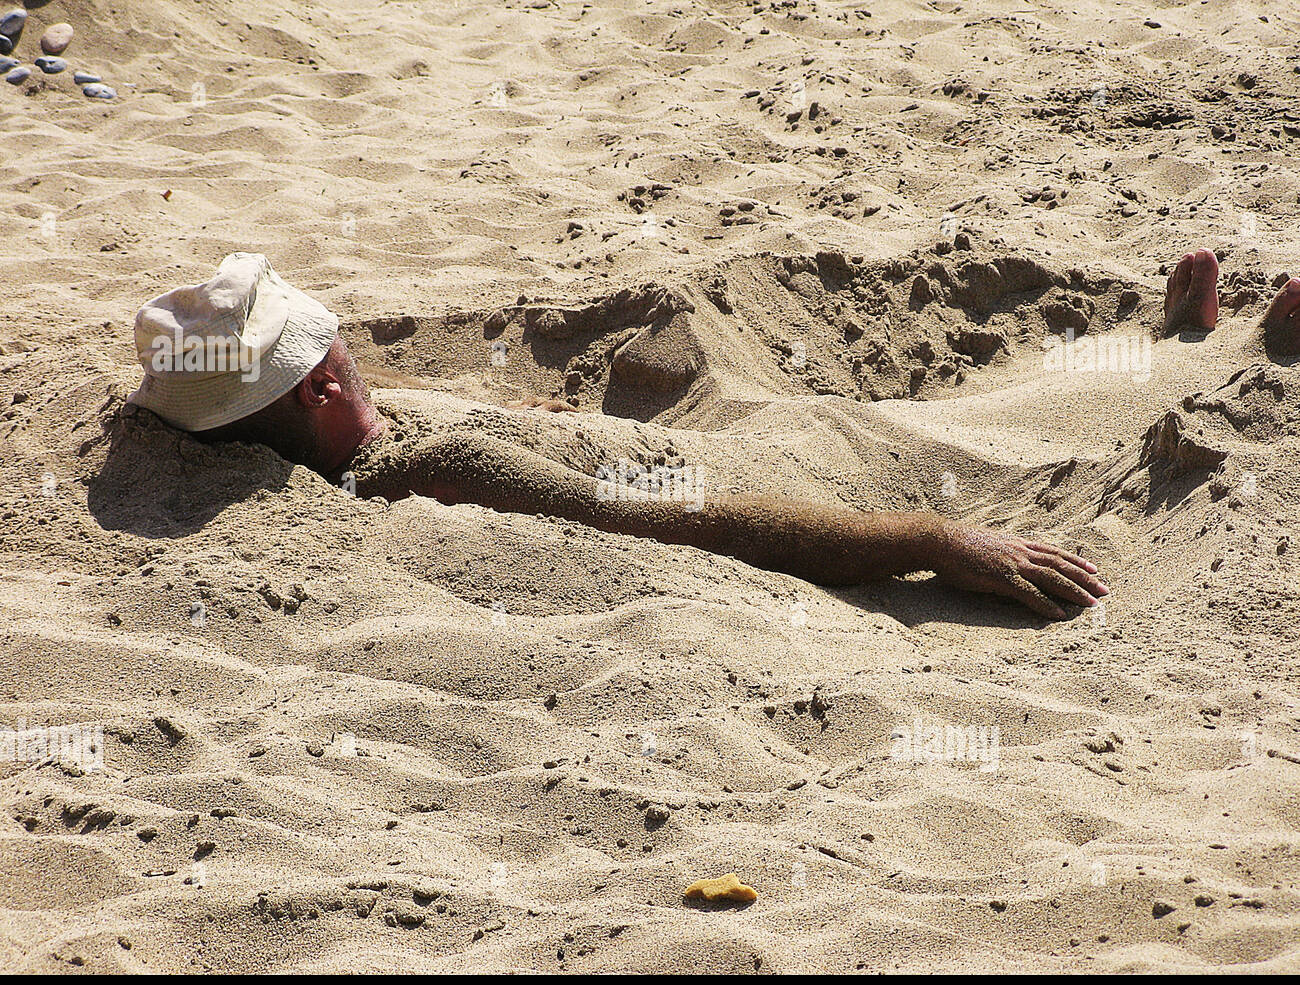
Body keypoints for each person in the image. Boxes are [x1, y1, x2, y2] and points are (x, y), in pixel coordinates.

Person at [127, 252, 1125, 619]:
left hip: (737, 440)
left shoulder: (339, 435)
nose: (350, 349)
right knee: (976, 430)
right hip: (788, 473)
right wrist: (932, 542)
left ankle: (1182, 350)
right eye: (334, 351)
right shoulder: (437, 468)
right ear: (312, 393)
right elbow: (689, 522)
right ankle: (1194, 354)